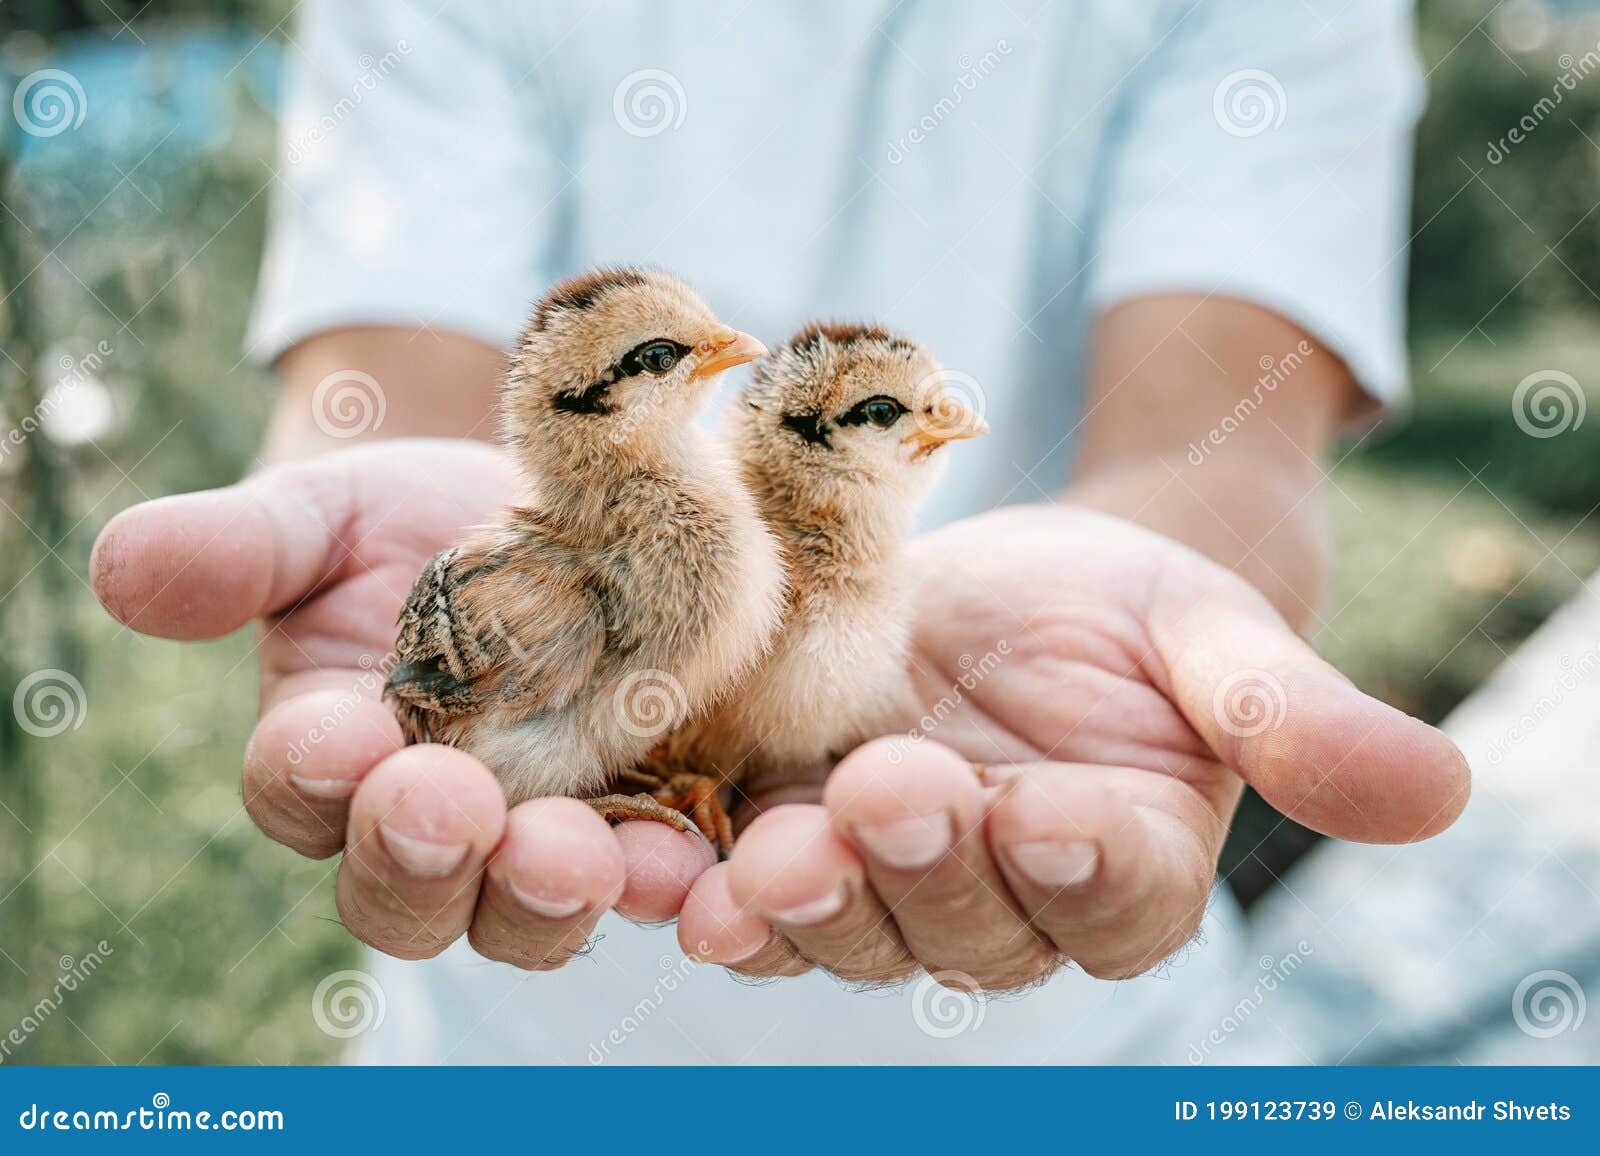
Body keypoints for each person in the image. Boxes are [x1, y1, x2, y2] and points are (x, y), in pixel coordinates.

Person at [90, 0, 1469, 1062]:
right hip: (501, 1060)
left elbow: (1211, 438)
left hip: (1081, 1061)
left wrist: (1152, 602)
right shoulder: (597, 558)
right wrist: (375, 509)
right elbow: (391, 397)